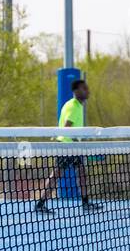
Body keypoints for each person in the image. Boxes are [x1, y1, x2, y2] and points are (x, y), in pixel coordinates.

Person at [35, 78, 102, 215]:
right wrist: (75, 143)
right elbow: (67, 127)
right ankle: (40, 204)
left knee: (81, 173)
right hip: (67, 146)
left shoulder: (76, 105)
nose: (87, 91)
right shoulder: (73, 106)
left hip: (72, 146)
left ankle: (85, 203)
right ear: (76, 91)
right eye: (84, 88)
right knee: (57, 175)